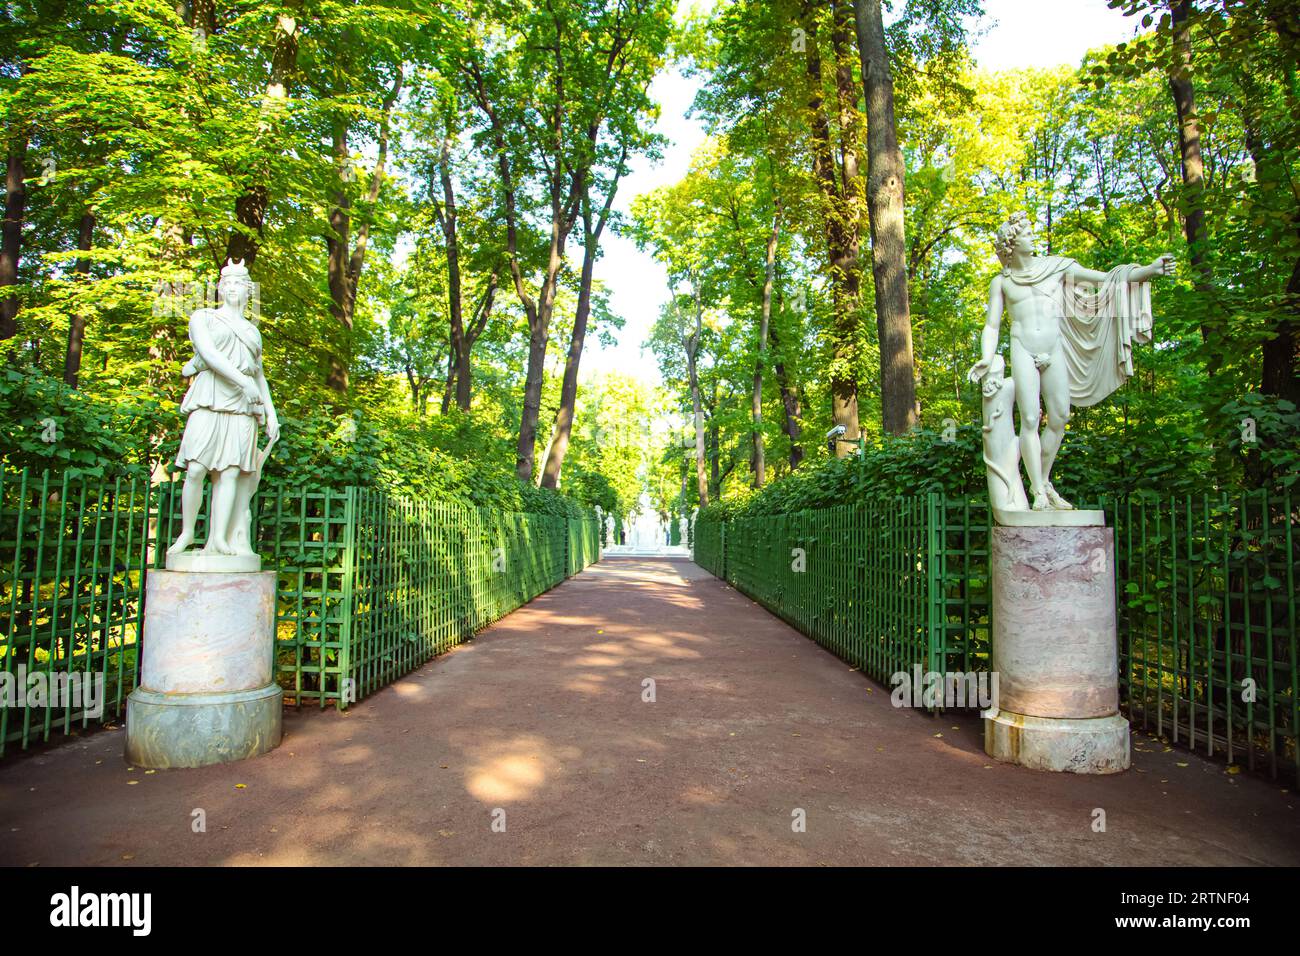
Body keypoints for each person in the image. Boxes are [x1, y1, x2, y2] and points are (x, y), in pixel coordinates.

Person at [967, 212, 1173, 511]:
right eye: (1025, 234)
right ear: (1011, 245)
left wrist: (1149, 271)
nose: (1032, 237)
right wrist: (987, 357)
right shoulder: (1002, 282)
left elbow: (1108, 279)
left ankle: (1045, 481)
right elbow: (992, 325)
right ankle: (1037, 491)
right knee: (1029, 419)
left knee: (1060, 417)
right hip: (1023, 348)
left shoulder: (1056, 268)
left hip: (1054, 348)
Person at [167, 259, 279, 557]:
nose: (232, 289)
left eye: (239, 284)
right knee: (196, 468)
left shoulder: (253, 332)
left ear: (248, 292)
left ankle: (218, 540)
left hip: (242, 408)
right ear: (219, 289)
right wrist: (243, 383)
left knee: (229, 473)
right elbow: (209, 355)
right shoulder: (203, 318)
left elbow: (259, 375)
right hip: (211, 397)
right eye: (227, 283)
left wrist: (271, 412)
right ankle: (187, 533)